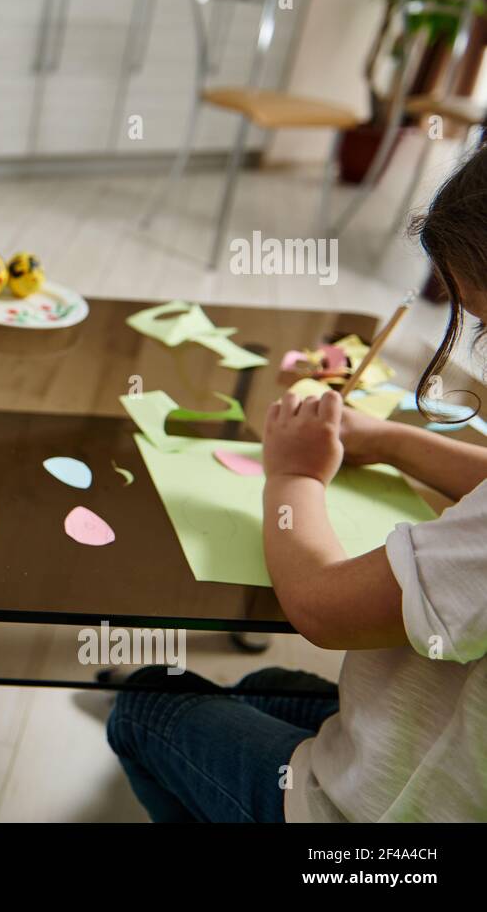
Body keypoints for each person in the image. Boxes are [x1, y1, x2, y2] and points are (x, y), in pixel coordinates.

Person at [105, 144, 487, 822]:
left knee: (146, 705)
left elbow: (319, 608)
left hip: (372, 824)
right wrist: (391, 440)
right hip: (412, 744)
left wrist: (294, 475)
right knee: (258, 685)